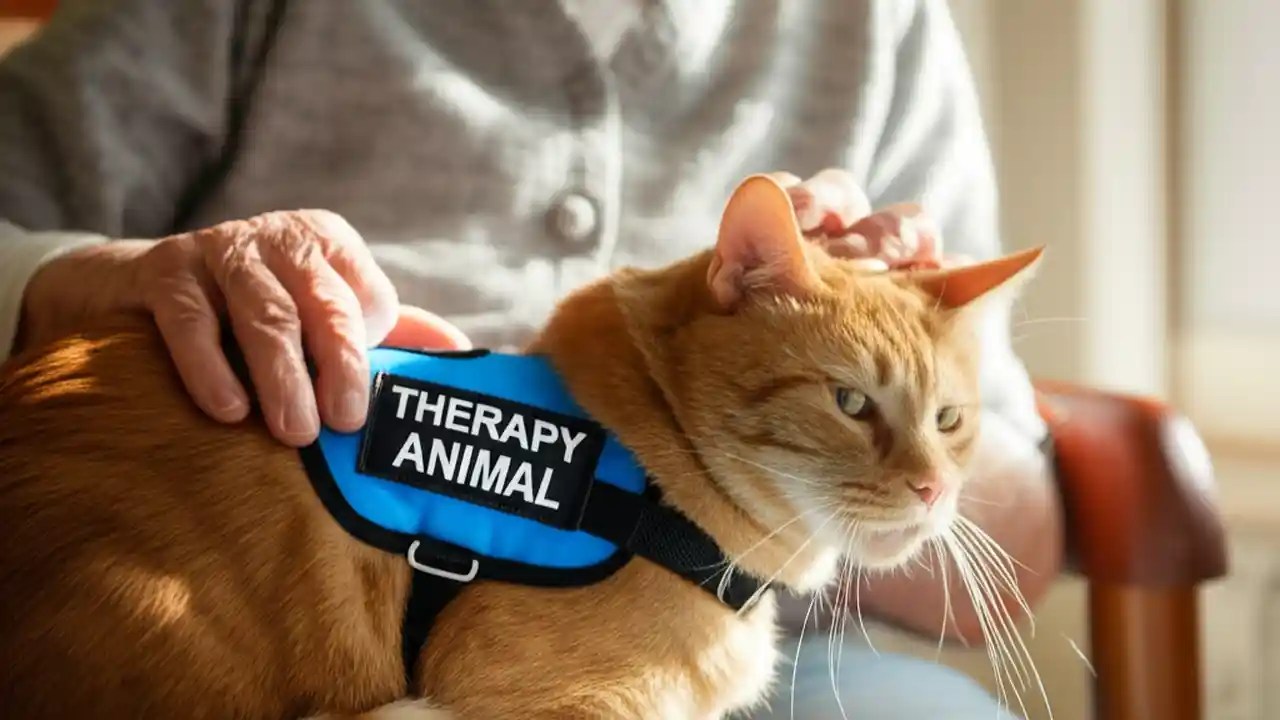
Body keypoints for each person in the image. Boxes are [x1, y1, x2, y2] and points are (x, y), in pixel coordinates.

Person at [0, 1, 1063, 717]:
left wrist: (906, 359)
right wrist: (68, 274)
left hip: (787, 643)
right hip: (254, 581)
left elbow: (1002, 567)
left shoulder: (880, 22)